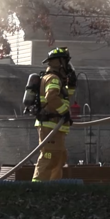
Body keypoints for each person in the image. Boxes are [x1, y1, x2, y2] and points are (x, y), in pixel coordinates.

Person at [32, 47, 76, 182]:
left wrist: (72, 85)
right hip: (50, 125)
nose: (68, 66)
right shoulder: (53, 79)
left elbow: (64, 95)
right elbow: (51, 98)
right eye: (66, 61)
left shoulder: (56, 80)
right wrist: (64, 112)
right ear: (59, 62)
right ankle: (38, 188)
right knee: (49, 156)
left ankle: (53, 188)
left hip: (55, 126)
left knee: (59, 157)